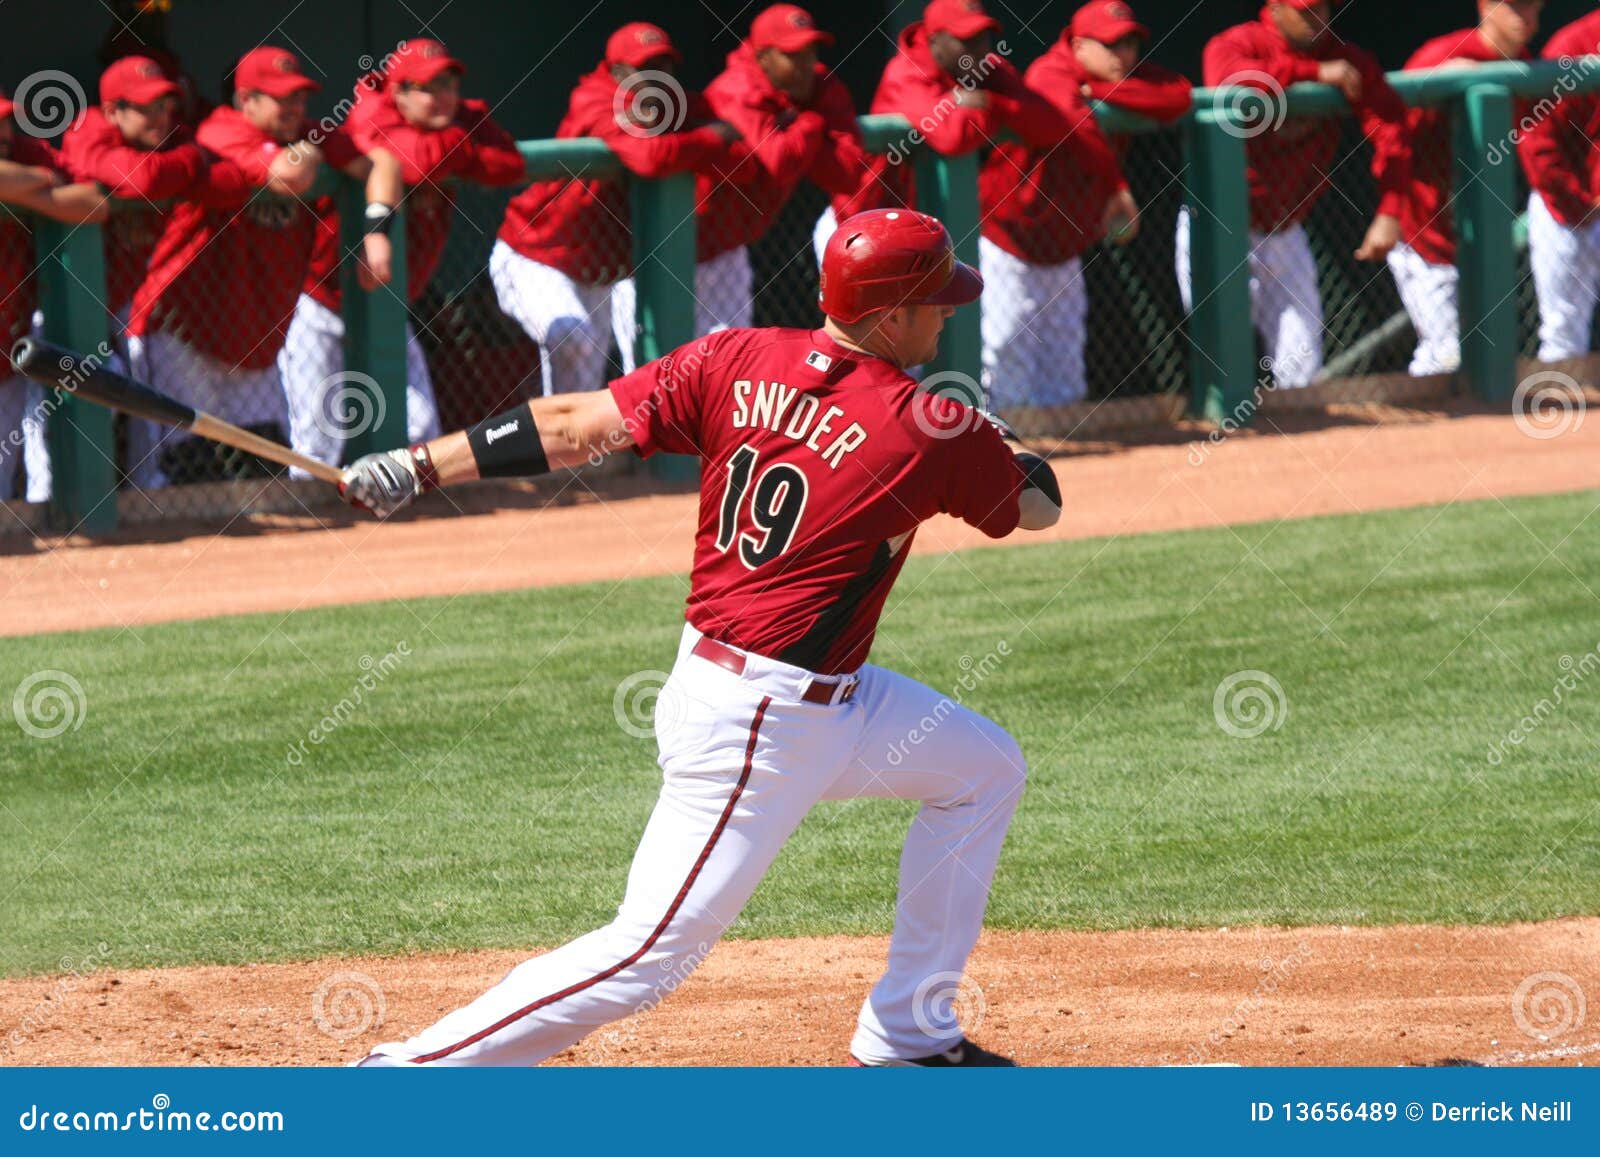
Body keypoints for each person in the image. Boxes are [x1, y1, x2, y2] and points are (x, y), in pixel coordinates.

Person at [337, 208, 1062, 1068]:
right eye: (935, 299)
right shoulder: (925, 426)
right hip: (764, 724)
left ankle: (908, 1029)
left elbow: (573, 422)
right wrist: (996, 436)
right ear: (891, 312)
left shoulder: (735, 355)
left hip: (795, 694)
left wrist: (420, 465)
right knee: (646, 956)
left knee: (983, 768)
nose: (949, 312)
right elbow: (1038, 508)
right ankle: (401, 1077)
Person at [125, 46, 400, 488]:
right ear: (246, 101)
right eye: (280, 98)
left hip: (252, 338)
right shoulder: (221, 131)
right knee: (172, 479)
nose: (294, 108)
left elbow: (382, 162)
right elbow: (290, 174)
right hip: (179, 330)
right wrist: (315, 149)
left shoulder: (306, 134)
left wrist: (377, 231)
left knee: (263, 474)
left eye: (299, 97)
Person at [280, 38, 523, 475]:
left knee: (419, 428)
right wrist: (463, 146)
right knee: (316, 444)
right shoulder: (372, 113)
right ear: (399, 92)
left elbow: (510, 165)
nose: (444, 98)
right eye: (429, 88)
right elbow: (410, 165)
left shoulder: (450, 121)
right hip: (324, 299)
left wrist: (453, 142)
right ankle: (313, 533)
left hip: (389, 306)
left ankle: (391, 527)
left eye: (449, 85)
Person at [494, 23, 744, 394]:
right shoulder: (596, 101)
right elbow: (649, 157)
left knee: (582, 398)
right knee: (572, 340)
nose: (655, 77)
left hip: (599, 275)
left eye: (663, 65)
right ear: (617, 73)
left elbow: (734, 131)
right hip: (537, 259)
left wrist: (706, 131)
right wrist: (708, 139)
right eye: (643, 68)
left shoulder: (668, 104)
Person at [1179, 0, 1411, 388]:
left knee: (1301, 367)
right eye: (1305, 11)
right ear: (1275, 9)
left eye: (1323, 9)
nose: (1317, 19)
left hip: (1285, 230)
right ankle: (1229, 444)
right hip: (1219, 225)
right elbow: (1228, 79)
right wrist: (1313, 73)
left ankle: (1298, 446)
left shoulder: (1343, 57)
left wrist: (1390, 210)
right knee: (1221, 357)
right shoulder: (1239, 43)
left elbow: (1391, 126)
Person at [612, 4, 856, 371]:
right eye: (793, 55)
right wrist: (811, 123)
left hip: (725, 251)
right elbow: (776, 163)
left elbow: (847, 170)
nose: (807, 63)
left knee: (732, 370)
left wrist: (802, 124)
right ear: (764, 57)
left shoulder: (814, 85)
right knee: (654, 379)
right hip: (667, 253)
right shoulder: (736, 89)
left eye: (811, 51)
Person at [978, 0, 1189, 408]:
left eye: (1129, 44)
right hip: (1011, 239)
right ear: (1077, 45)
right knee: (1008, 348)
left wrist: (1107, 91)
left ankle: (1068, 450)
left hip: (1066, 242)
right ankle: (1008, 452)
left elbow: (1179, 95)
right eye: (1110, 45)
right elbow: (1077, 127)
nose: (1122, 55)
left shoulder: (1113, 76)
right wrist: (1117, 187)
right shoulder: (1050, 70)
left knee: (1065, 355)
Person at [1393, 1, 1540, 377]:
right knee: (1446, 356)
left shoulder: (1524, 64)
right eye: (1515, 7)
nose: (1526, 16)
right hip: (1422, 231)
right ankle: (1417, 433)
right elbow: (1390, 133)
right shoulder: (1443, 55)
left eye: (1533, 6)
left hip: (1477, 240)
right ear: (1485, 7)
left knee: (1479, 357)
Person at [856, 0, 1066, 253]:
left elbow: (1052, 126)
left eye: (982, 37)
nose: (978, 49)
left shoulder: (986, 67)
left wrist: (989, 102)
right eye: (966, 39)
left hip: (918, 229)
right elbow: (953, 138)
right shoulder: (906, 72)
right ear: (935, 41)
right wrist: (959, 102)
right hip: (862, 223)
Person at [0, 89, 106, 504]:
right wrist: (44, 184)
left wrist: (24, 184)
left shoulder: (28, 153)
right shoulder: (33, 167)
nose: (4, 133)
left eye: (6, 122)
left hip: (8, 343)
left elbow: (96, 202)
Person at [1520, 4, 1600, 364]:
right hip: (1566, 209)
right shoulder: (1574, 44)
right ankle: (1562, 415)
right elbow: (1538, 139)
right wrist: (1580, 203)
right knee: (1563, 338)